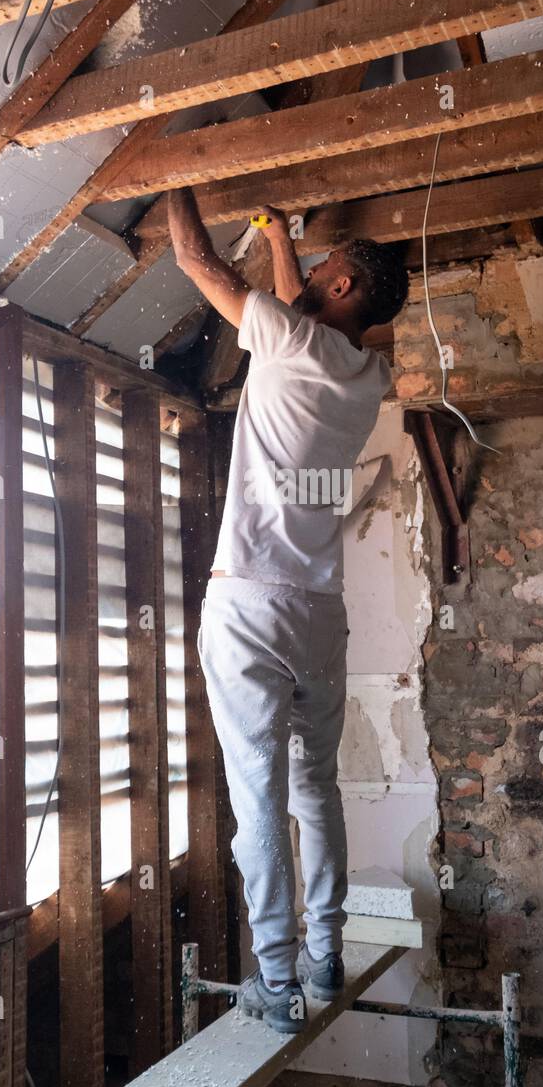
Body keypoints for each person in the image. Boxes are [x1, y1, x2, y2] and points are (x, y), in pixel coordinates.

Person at [168, 188, 408, 1033]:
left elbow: (195, 260)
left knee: (258, 799)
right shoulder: (367, 375)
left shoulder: (285, 334)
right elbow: (295, 307)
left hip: (249, 608)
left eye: (330, 269)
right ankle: (321, 951)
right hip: (316, 612)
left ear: (341, 289)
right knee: (315, 787)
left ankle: (274, 980)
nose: (316, 276)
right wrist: (277, 238)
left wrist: (178, 164)